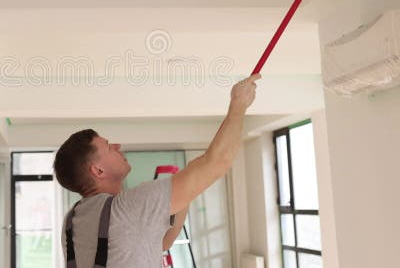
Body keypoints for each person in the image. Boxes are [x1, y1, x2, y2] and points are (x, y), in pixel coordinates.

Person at [53, 74, 260, 267]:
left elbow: (163, 242)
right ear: (97, 170)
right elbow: (218, 162)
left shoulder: (72, 220)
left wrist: (186, 188)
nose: (117, 146)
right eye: (108, 147)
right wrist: (238, 105)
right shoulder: (128, 208)